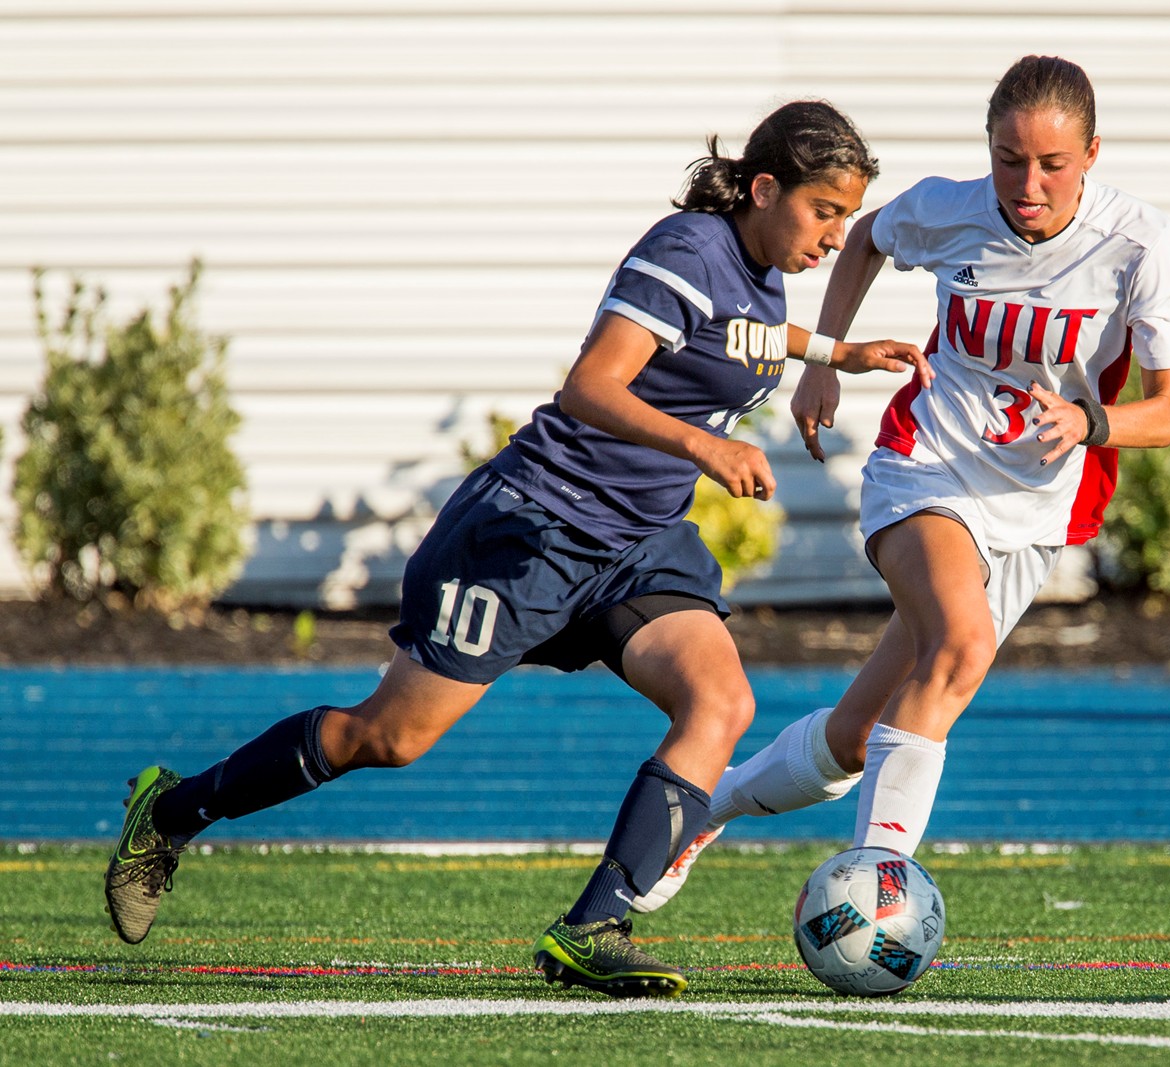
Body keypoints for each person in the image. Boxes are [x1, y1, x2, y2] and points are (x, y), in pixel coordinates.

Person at [103, 100, 928, 998]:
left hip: (637, 541)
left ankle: (592, 926)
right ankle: (173, 811)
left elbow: (742, 337)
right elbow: (589, 387)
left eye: (847, 217)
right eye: (825, 212)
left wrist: (839, 353)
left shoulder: (763, 273)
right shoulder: (688, 250)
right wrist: (705, 445)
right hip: (536, 525)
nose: (836, 236)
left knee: (721, 700)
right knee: (387, 737)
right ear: (765, 189)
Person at [632, 55, 1170, 913]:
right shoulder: (950, 208)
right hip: (926, 466)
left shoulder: (1140, 244)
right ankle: (874, 886)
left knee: (858, 739)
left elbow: (1166, 413)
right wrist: (825, 359)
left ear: (1092, 154)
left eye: (1053, 163)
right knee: (963, 645)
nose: (1028, 183)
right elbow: (865, 237)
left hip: (1033, 510)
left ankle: (702, 811)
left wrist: (1091, 422)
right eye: (1009, 158)